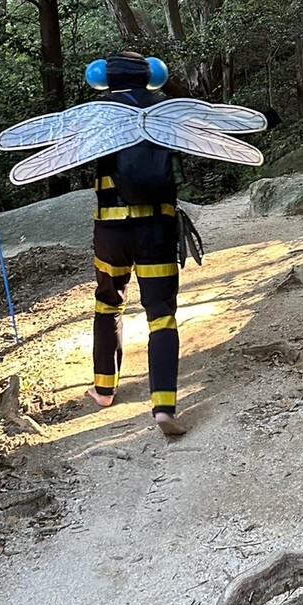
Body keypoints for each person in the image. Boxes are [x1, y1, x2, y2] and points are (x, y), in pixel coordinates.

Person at [85, 51, 187, 437]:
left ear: (103, 78)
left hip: (111, 231)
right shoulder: (165, 110)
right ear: (151, 76)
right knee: (161, 315)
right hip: (157, 227)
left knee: (108, 302)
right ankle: (163, 407)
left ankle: (105, 389)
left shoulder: (95, 114)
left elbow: (49, 140)